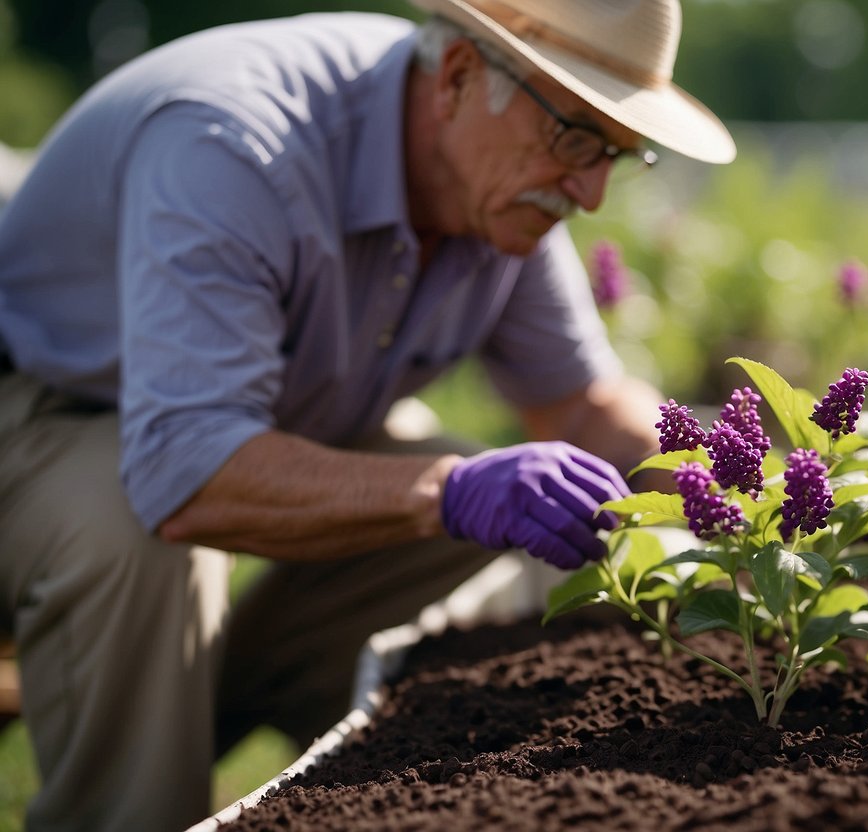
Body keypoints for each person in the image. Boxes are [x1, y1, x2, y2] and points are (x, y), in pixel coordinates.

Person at [0, 0, 735, 829]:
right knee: (126, 526)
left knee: (472, 523)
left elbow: (582, 405)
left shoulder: (494, 186)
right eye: (574, 139)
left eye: (617, 153)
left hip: (238, 429)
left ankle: (219, 706)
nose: (592, 193)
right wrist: (448, 491)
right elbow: (186, 469)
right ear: (458, 76)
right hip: (47, 410)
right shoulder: (234, 145)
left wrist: (748, 493)